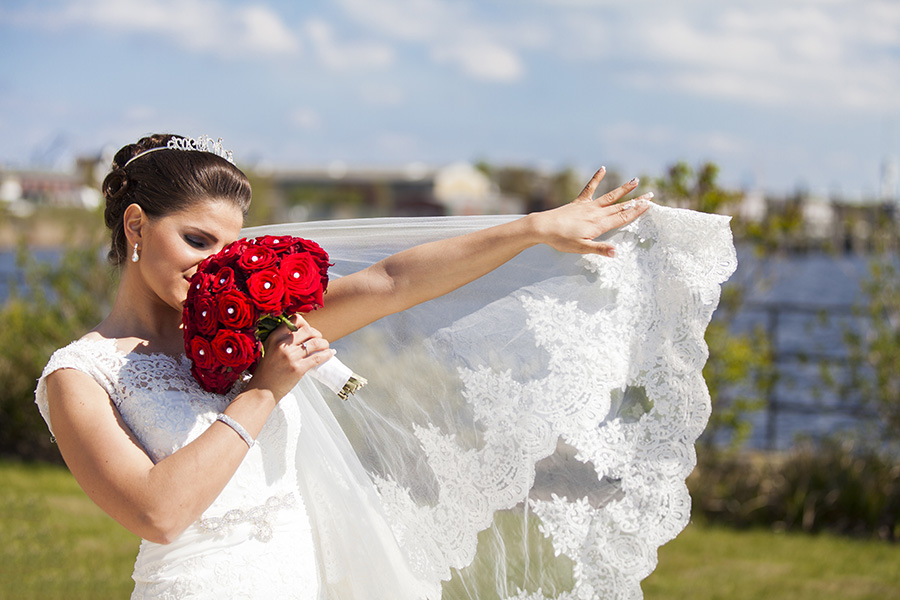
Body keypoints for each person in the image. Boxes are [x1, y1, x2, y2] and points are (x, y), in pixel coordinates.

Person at [35, 133, 736, 599]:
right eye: (196, 240)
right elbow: (158, 513)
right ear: (135, 225)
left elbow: (393, 282)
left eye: (227, 247)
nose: (214, 264)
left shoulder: (252, 325)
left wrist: (532, 229)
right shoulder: (80, 376)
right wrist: (265, 391)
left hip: (301, 580)